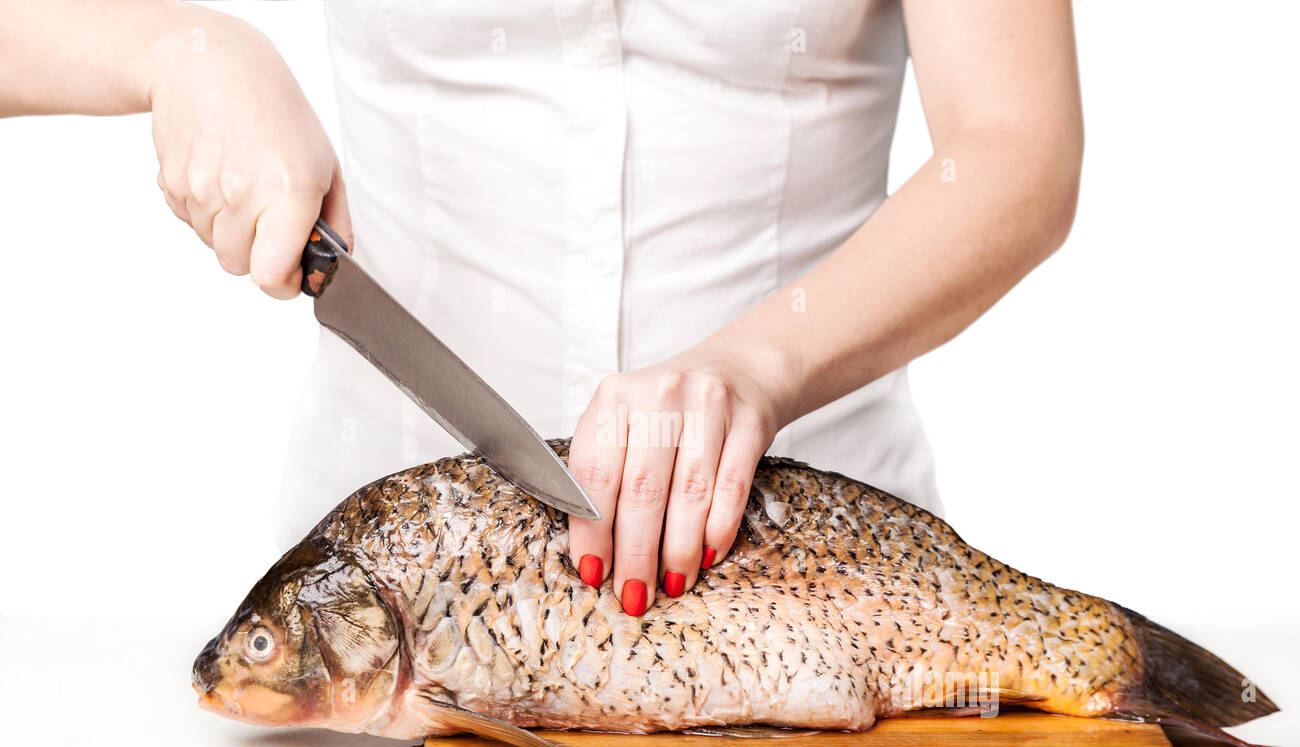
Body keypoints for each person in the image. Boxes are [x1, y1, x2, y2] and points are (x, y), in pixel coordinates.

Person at [0, 0, 1083, 617]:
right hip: (388, 621)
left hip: (818, 581)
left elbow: (1014, 147)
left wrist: (760, 361)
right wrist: (178, 50)